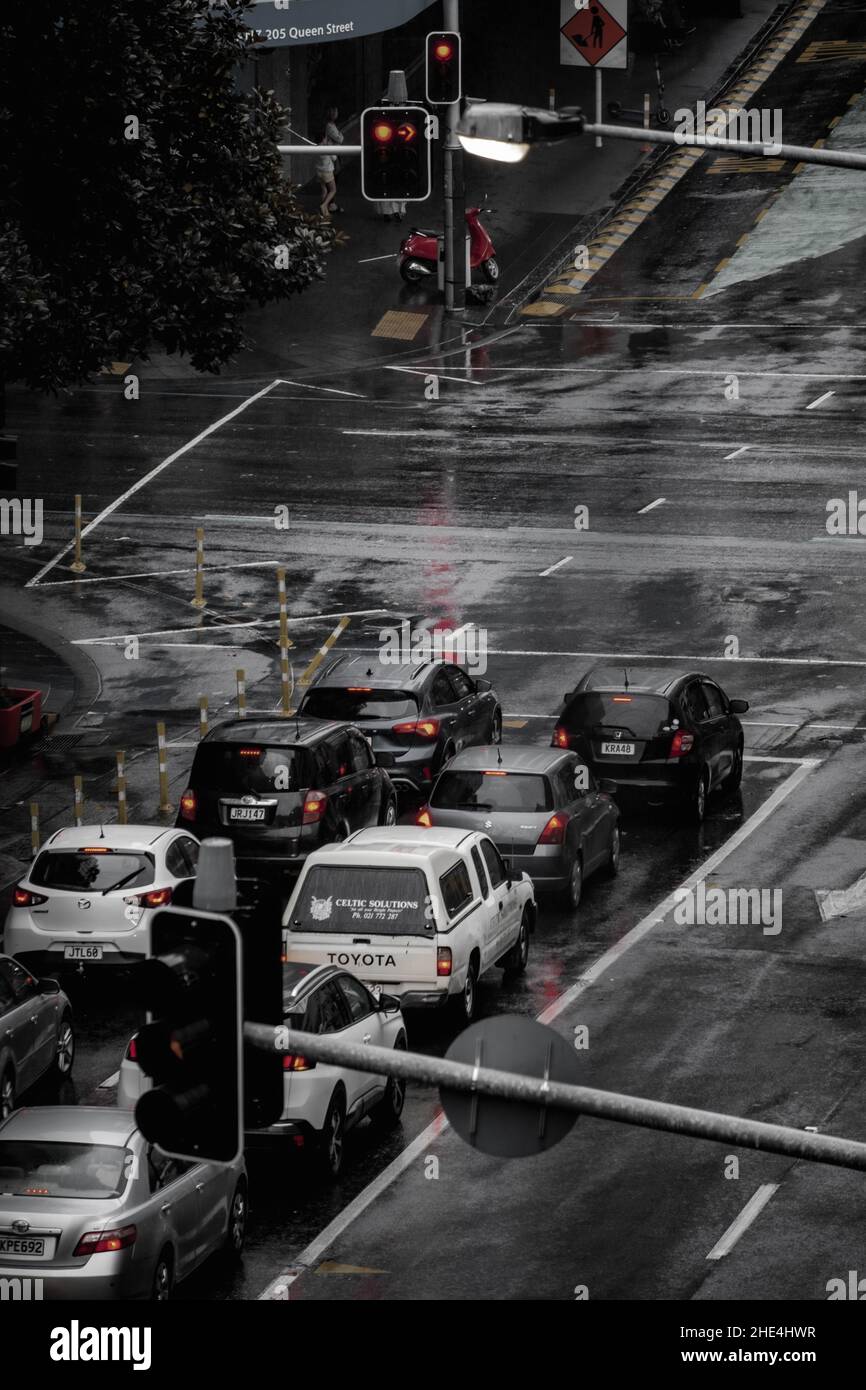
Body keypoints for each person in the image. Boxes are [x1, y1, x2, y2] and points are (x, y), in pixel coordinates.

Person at [316, 105, 343, 219]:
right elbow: (333, 156)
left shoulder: (317, 147)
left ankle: (325, 212)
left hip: (319, 171)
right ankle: (324, 205)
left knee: (324, 190)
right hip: (327, 171)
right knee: (333, 190)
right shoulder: (327, 147)